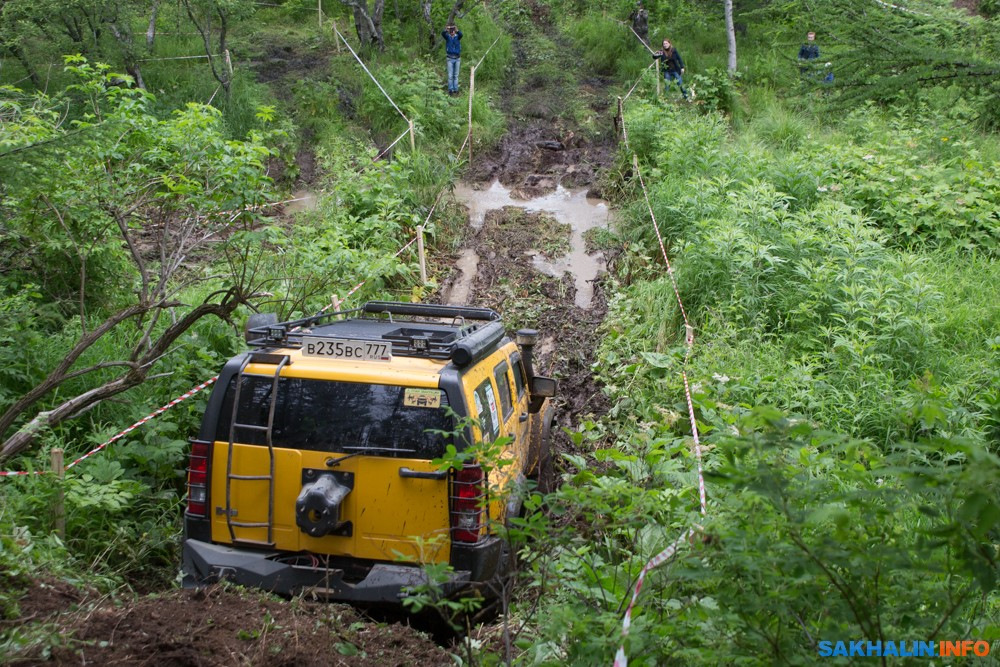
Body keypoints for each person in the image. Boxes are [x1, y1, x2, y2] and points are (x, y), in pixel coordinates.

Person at [442, 23, 463, 95]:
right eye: (451, 30)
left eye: (453, 30)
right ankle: (450, 89)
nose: (452, 31)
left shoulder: (458, 37)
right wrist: (446, 29)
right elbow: (443, 34)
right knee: (450, 75)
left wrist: (457, 30)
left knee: (456, 75)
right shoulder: (447, 37)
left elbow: (461, 34)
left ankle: (456, 89)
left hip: (457, 58)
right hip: (450, 58)